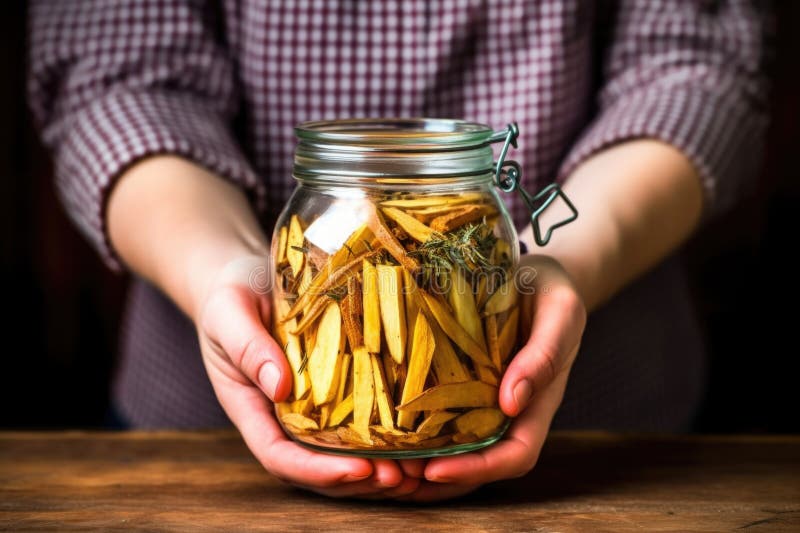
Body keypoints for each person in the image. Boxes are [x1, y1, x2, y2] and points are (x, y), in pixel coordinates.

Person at [28, 1, 769, 500]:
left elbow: (695, 65)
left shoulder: (484, 216)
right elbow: (117, 76)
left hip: (610, 453)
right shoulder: (310, 226)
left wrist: (562, 260)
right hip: (197, 459)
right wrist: (224, 273)